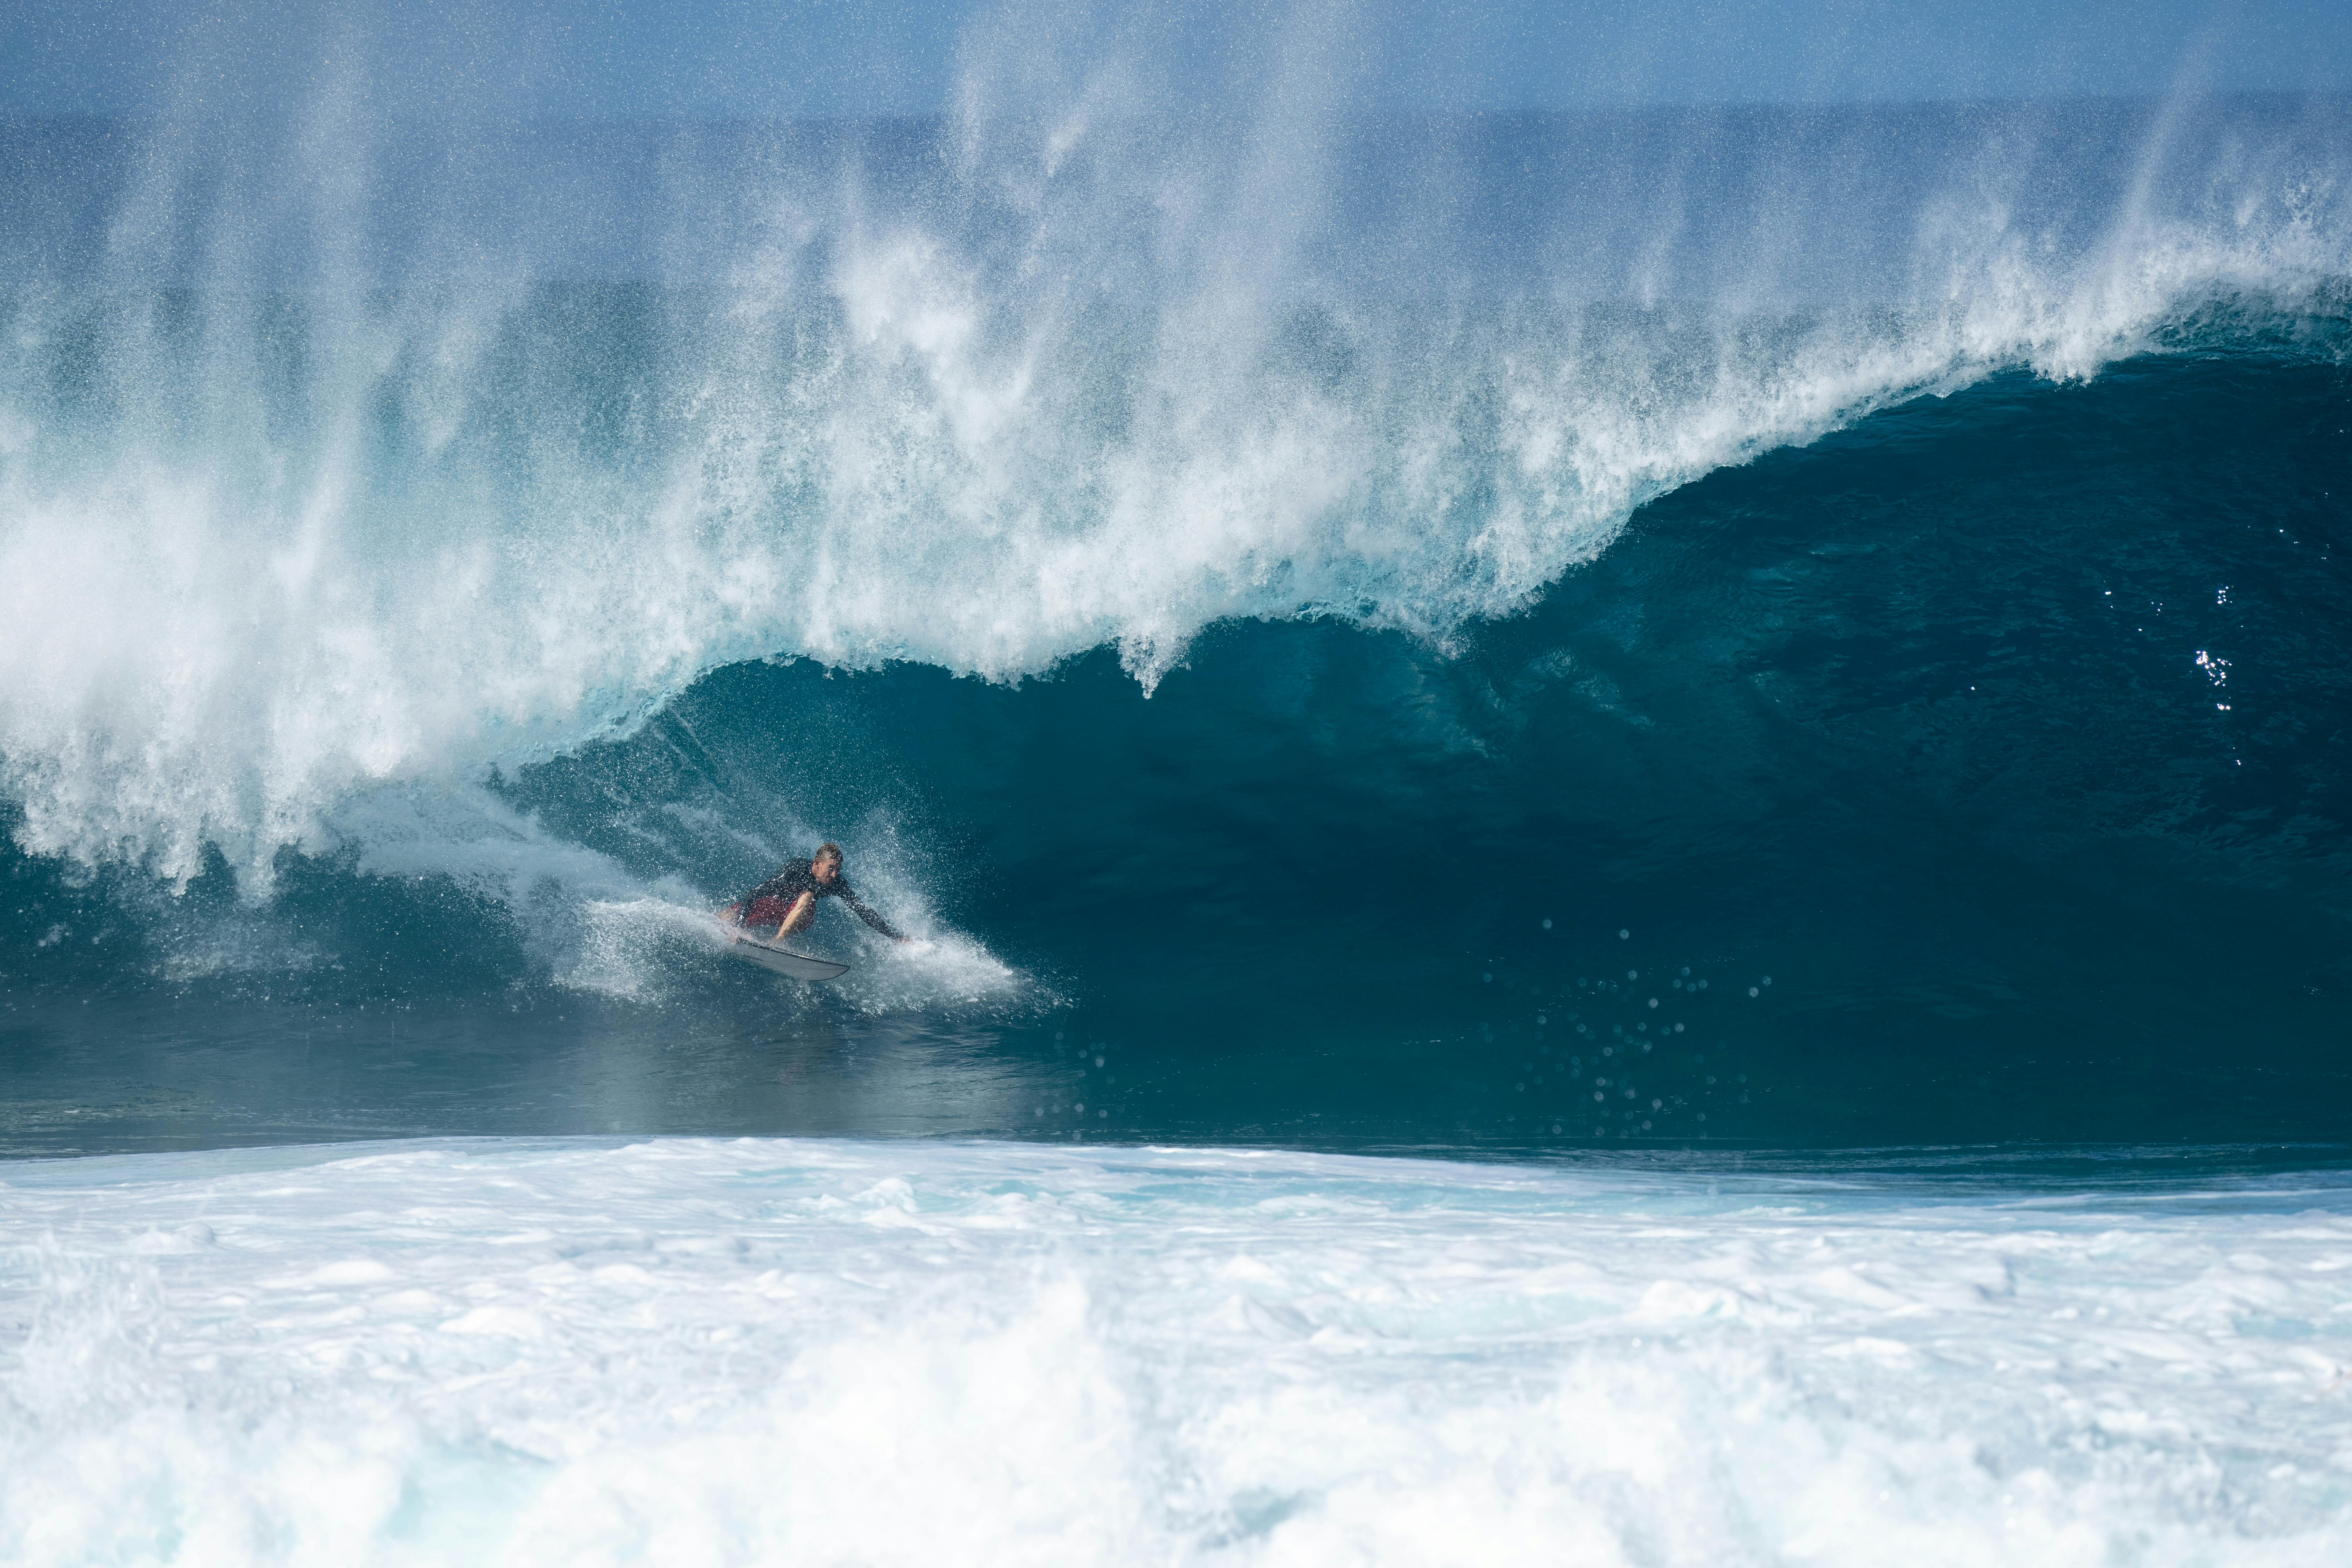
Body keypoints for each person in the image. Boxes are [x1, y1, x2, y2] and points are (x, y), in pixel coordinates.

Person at [722, 842, 908, 944]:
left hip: (802, 918)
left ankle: (777, 942)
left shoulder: (838, 883)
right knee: (727, 916)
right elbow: (753, 895)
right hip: (777, 908)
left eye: (838, 870)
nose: (835, 875)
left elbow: (864, 912)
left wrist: (898, 937)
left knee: (808, 896)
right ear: (817, 863)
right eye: (831, 868)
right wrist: (739, 927)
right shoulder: (794, 868)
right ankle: (724, 927)